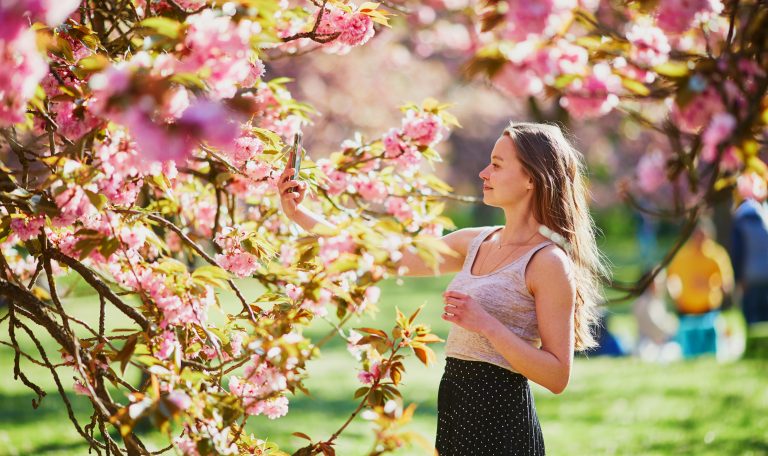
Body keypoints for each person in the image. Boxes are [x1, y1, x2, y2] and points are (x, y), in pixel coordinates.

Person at [278, 122, 606, 455]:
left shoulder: (548, 262)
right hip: (454, 409)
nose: (482, 172)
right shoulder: (475, 242)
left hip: (503, 425)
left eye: (496, 164)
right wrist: (301, 215)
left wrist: (487, 325)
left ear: (531, 179)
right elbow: (384, 253)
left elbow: (557, 376)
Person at [666, 220, 734, 358]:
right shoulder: (682, 255)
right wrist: (675, 296)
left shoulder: (717, 255)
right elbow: (670, 278)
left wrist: (709, 284)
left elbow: (727, 285)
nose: (699, 240)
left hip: (709, 311)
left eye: (702, 236)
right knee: (689, 352)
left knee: (710, 352)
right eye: (696, 236)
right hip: (686, 311)